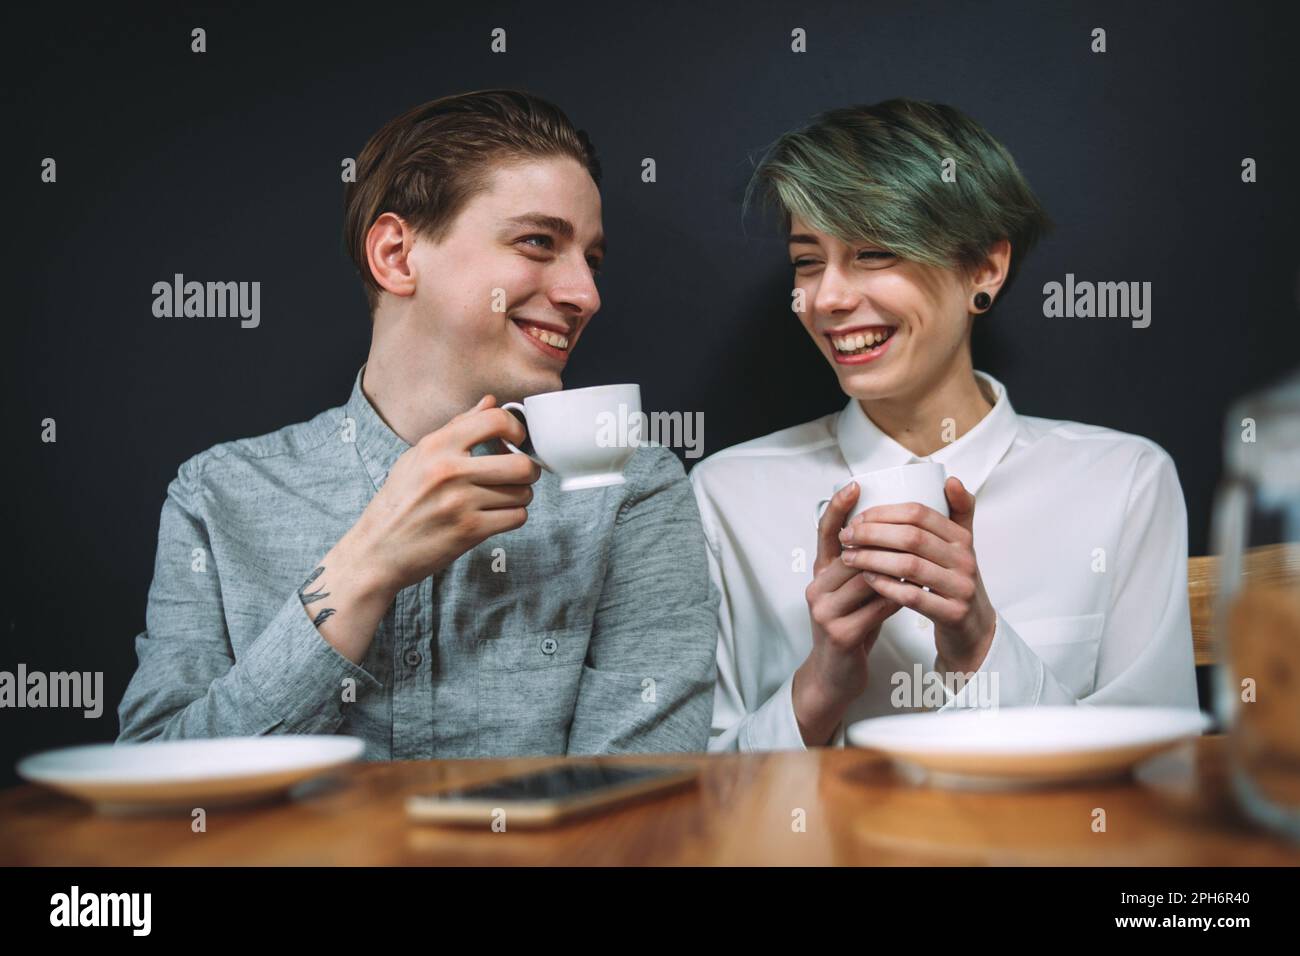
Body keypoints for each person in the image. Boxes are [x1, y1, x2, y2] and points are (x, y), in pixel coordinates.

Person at [118, 89, 718, 758]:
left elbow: (640, 803)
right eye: (538, 242)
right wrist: (366, 565)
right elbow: (154, 786)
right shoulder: (217, 496)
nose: (586, 294)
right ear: (398, 256)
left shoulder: (632, 491)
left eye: (592, 260)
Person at [690, 98, 1198, 751]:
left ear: (984, 269)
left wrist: (981, 644)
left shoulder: (1124, 482)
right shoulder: (727, 494)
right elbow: (700, 796)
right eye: (808, 260)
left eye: (875, 252)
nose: (828, 299)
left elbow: (1162, 776)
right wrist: (817, 691)